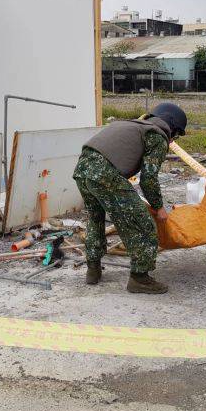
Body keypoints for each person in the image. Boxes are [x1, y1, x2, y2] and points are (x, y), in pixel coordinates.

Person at [73, 102, 187, 293]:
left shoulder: (131, 125)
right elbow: (148, 179)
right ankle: (140, 279)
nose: (172, 140)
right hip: (104, 174)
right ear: (171, 126)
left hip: (82, 170)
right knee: (142, 224)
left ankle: (93, 269)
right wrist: (159, 208)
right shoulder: (156, 135)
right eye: (174, 135)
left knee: (95, 218)